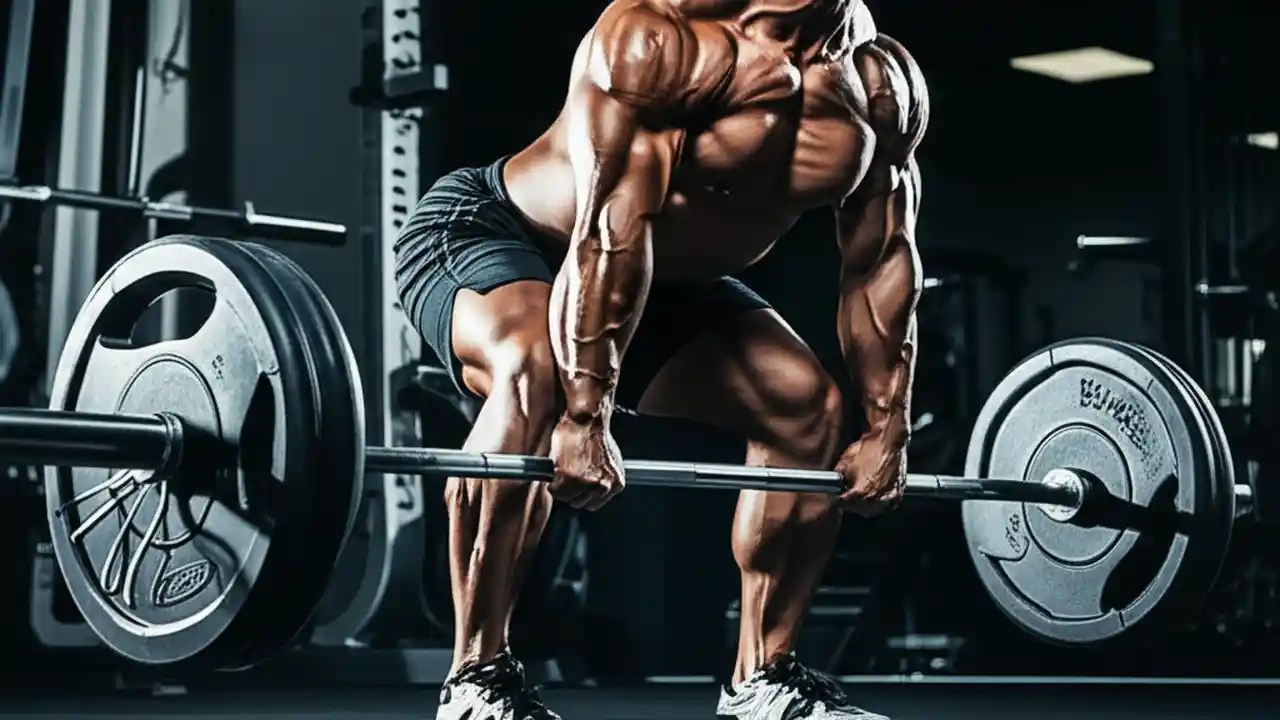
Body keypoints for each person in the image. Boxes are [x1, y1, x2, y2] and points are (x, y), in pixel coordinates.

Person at [394, 0, 927, 717]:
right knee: (535, 375)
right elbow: (611, 225)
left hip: (663, 282)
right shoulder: (661, 38)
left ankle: (762, 681)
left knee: (808, 412)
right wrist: (586, 411)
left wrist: (887, 427)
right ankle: (477, 678)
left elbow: (881, 260)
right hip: (498, 231)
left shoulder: (880, 81)